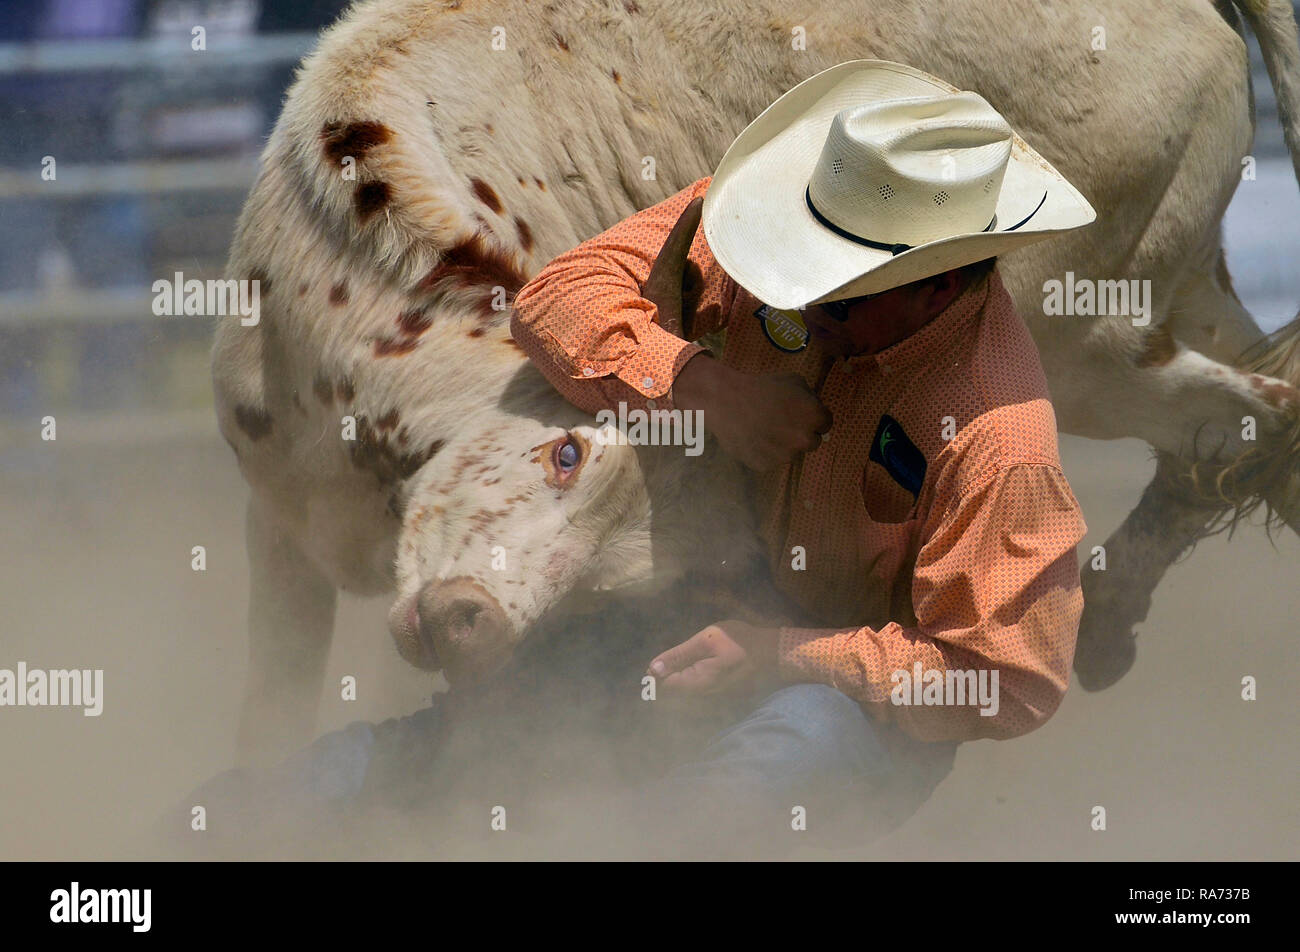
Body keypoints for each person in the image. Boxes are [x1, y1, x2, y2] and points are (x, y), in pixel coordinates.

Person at [168, 60, 1095, 860]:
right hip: (682, 607)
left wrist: (779, 655)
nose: (807, 300)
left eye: (839, 293)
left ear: (939, 280)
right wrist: (710, 392)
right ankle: (194, 845)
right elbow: (558, 299)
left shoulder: (995, 439)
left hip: (838, 695)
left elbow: (1004, 676)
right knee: (455, 746)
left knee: (777, 754)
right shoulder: (748, 223)